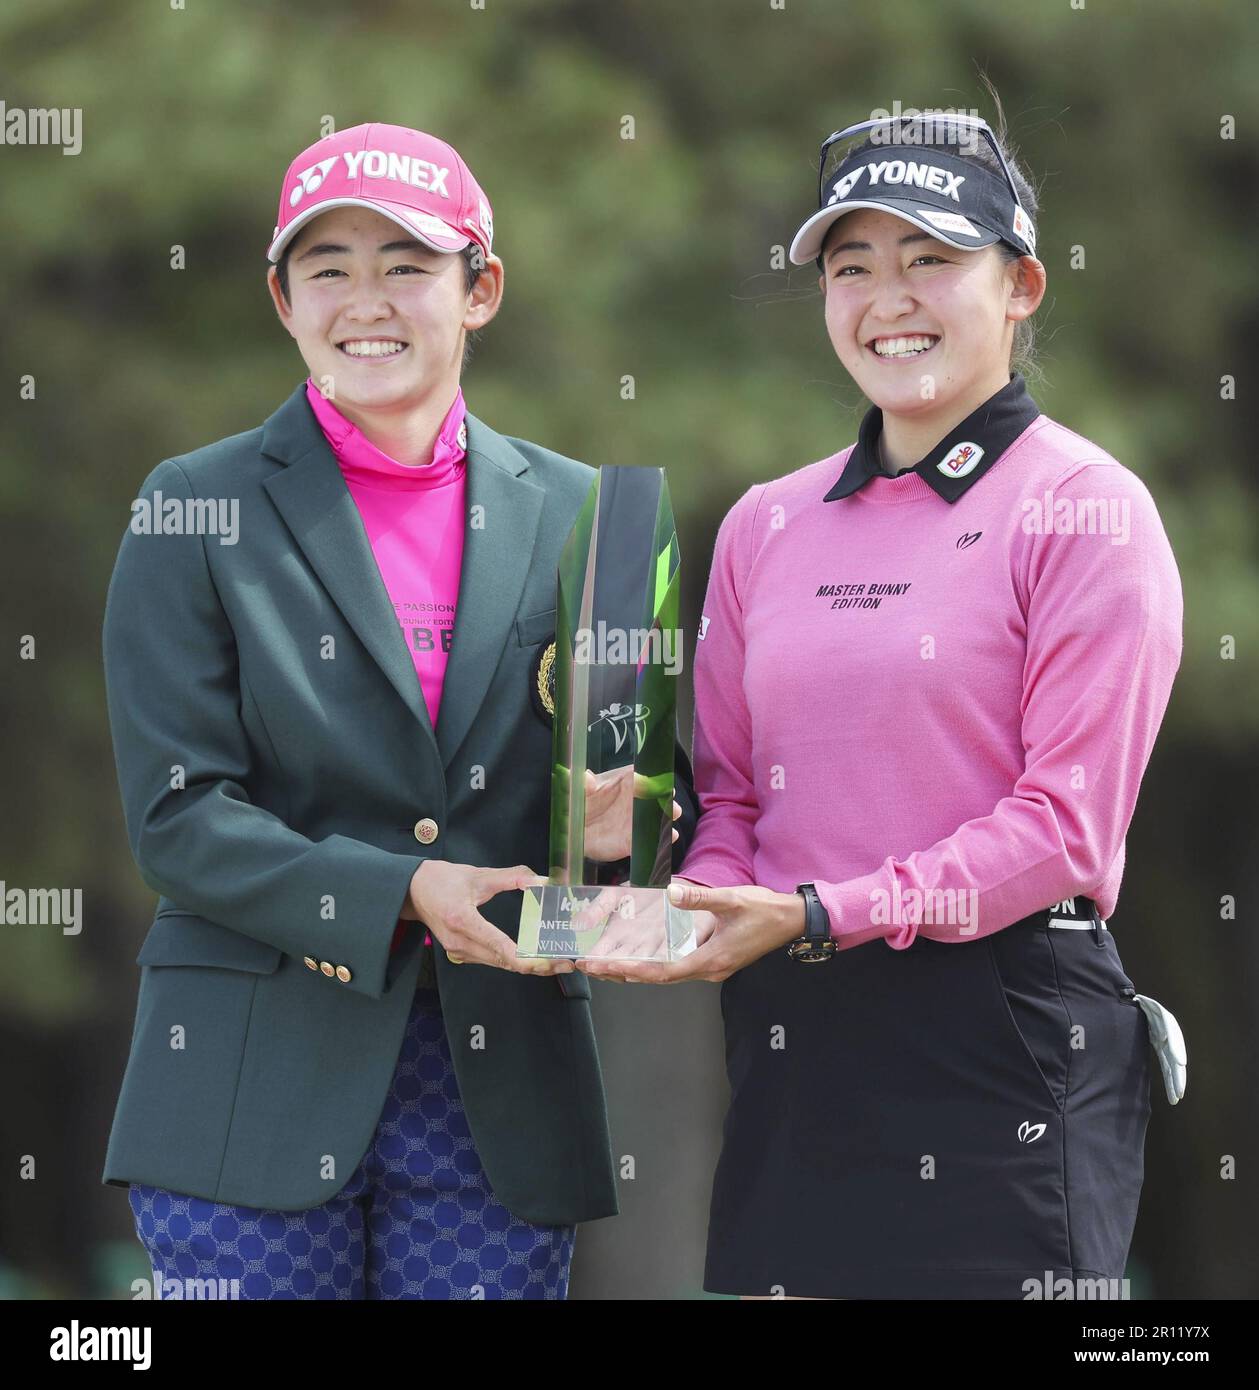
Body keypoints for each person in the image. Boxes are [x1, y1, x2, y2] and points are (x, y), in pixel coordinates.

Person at [579, 107, 1184, 1299]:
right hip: (794, 1046)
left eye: (928, 259)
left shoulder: (1085, 510)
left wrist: (818, 910)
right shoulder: (766, 523)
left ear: (1018, 285)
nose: (885, 297)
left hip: (999, 1044)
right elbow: (731, 792)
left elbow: (1061, 829)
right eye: (851, 266)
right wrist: (677, 890)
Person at [100, 122, 698, 1300]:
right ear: (282, 298)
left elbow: (636, 824)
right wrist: (403, 891)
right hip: (247, 1084)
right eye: (328, 266)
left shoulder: (596, 515)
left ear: (481, 289)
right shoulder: (192, 505)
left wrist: (631, 833)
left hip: (499, 1098)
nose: (364, 299)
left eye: (408, 264)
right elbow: (177, 816)